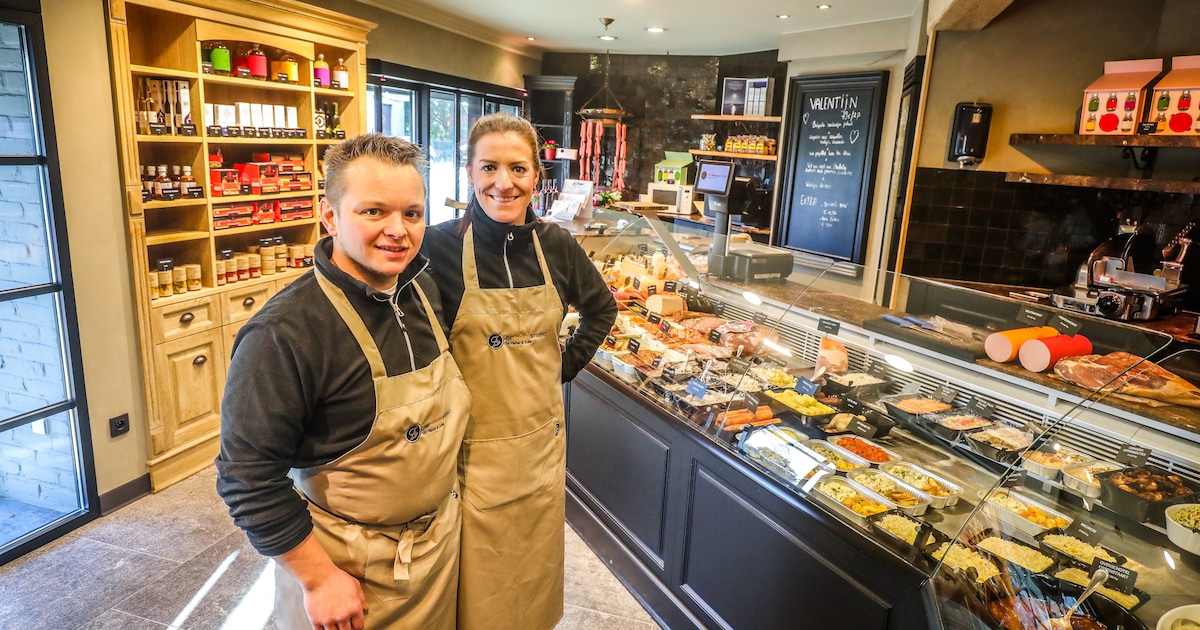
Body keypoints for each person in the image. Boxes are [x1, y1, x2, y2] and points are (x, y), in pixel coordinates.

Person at [215, 134, 470, 630]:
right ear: (329, 216)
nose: (398, 231)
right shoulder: (283, 333)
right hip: (349, 576)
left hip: (437, 552)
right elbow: (246, 477)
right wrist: (317, 580)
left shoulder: (421, 290)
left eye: (412, 214)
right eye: (373, 212)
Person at [423, 112, 618, 630]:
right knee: (475, 589)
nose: (502, 183)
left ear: (536, 176)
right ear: (469, 172)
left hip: (539, 447)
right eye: (489, 167)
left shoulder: (555, 245)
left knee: (530, 577)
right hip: (469, 452)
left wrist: (563, 366)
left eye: (518, 168)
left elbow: (602, 310)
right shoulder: (436, 247)